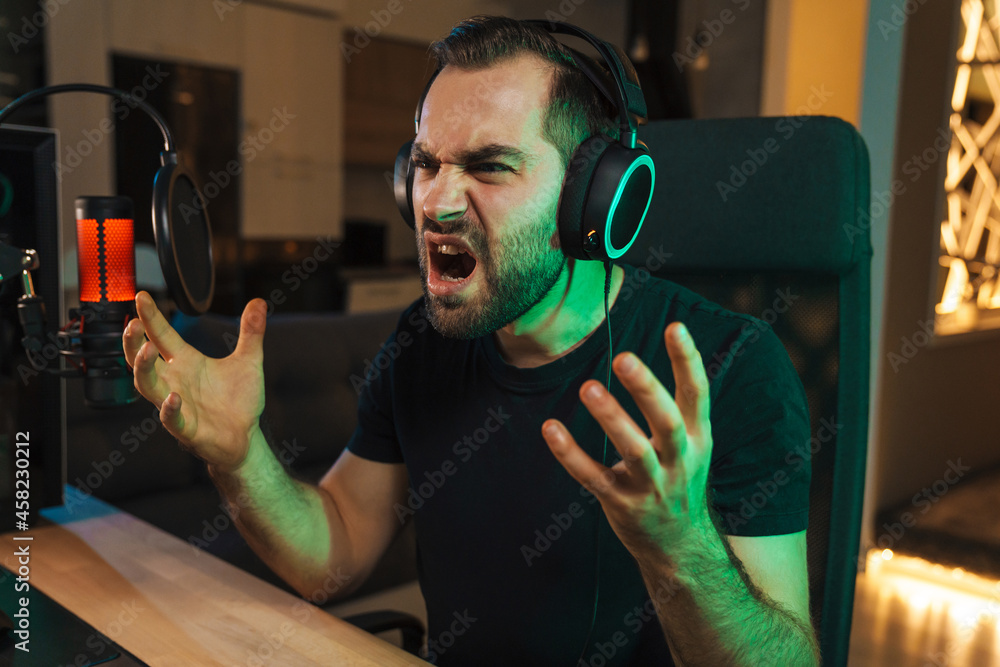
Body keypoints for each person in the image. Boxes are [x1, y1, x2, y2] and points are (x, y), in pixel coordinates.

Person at [123, 16, 818, 666]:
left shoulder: (729, 368)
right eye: (425, 163)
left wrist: (683, 548)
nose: (434, 202)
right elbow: (332, 552)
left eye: (489, 166)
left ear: (595, 201)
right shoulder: (422, 347)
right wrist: (239, 456)